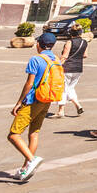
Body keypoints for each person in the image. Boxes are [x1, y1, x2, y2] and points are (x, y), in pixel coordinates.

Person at [7, 31, 63, 181]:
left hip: (33, 100)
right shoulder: (56, 59)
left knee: (13, 134)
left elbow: (29, 83)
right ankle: (26, 168)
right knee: (34, 133)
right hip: (47, 100)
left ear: (39, 44)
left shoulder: (36, 59)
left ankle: (32, 160)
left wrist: (19, 102)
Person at [49, 24, 88, 118]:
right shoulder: (85, 42)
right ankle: (75, 106)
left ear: (71, 33)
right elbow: (85, 55)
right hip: (78, 69)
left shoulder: (69, 42)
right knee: (70, 88)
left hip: (67, 68)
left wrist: (56, 65)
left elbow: (65, 56)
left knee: (64, 89)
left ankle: (63, 110)